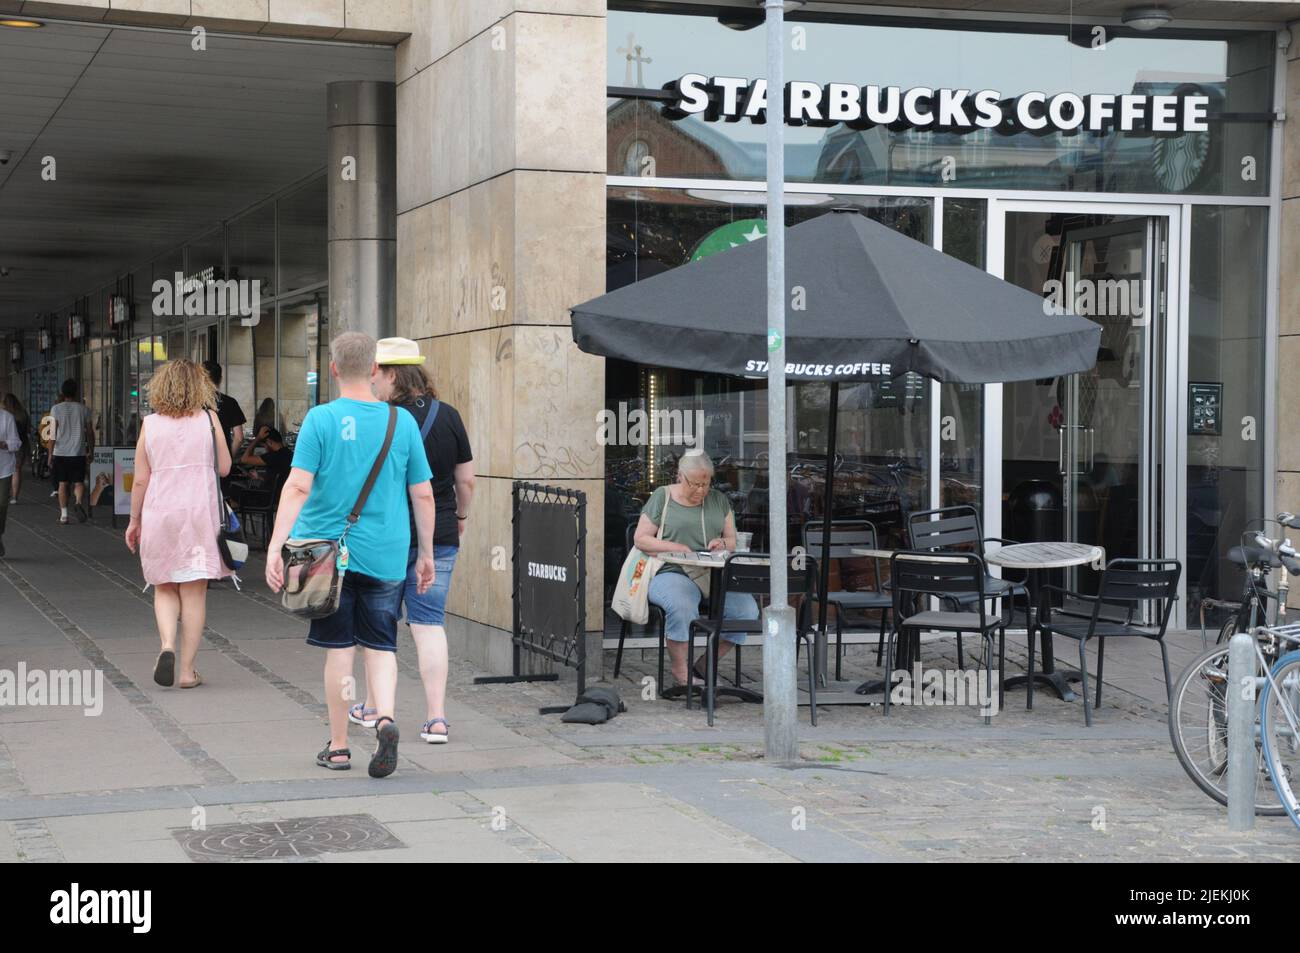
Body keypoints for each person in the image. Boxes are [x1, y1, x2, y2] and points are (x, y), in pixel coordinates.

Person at [265, 331, 436, 779]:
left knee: (339, 651)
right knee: (381, 646)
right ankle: (384, 720)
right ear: (375, 370)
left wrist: (276, 544)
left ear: (335, 368)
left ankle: (339, 746)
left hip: (326, 557)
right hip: (386, 552)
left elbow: (298, 486)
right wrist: (427, 554)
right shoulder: (402, 424)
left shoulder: (320, 420)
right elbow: (423, 494)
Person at [362, 337, 475, 744]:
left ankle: (375, 707)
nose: (373, 382)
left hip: (385, 536)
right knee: (429, 624)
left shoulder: (380, 418)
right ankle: (437, 719)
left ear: (392, 374)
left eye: (376, 374)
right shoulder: (449, 416)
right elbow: (467, 479)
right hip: (441, 533)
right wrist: (460, 517)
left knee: (378, 625)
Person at [124, 359, 233, 690]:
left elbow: (141, 479)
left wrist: (133, 520)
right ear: (201, 386)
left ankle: (167, 645)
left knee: (164, 585)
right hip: (200, 515)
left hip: (160, 513)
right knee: (195, 591)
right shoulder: (210, 420)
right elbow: (225, 468)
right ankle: (187, 672)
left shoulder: (150, 424)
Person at [633, 449, 758, 687]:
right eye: (694, 484)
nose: (701, 490)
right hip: (672, 570)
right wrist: (677, 547)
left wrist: (721, 543)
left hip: (710, 573)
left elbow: (732, 540)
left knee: (746, 611)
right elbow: (641, 539)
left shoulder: (719, 500)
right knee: (681, 606)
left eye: (706, 483)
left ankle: (704, 664)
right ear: (680, 476)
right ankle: (681, 674)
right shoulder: (663, 496)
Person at [48, 379, 94, 524]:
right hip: (78, 452)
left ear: (63, 392)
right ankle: (78, 502)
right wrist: (91, 449)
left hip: (60, 452)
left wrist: (50, 454)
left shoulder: (56, 409)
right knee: (79, 482)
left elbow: (52, 434)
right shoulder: (84, 409)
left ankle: (64, 515)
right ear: (76, 392)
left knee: (63, 483)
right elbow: (90, 432)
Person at [201, 361, 246, 458]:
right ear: (220, 379)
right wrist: (228, 458)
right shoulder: (230, 402)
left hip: (199, 461)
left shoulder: (193, 403)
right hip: (221, 459)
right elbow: (239, 438)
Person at [238, 425, 292, 497]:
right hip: (281, 496)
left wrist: (258, 438)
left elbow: (244, 459)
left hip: (268, 498)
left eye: (265, 445)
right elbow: (277, 481)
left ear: (269, 442)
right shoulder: (290, 454)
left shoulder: (272, 457)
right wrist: (259, 477)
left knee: (235, 491)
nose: (265, 449)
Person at [1, 394, 28, 503]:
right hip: (20, 444)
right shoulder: (22, 413)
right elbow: (28, 427)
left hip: (9, 446)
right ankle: (15, 496)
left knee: (11, 469)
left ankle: (9, 493)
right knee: (17, 469)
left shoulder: (6, 415)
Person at [0, 399, 18, 557]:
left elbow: (16, 443)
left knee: (1, 505)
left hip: (3, 469)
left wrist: (4, 444)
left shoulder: (7, 418)